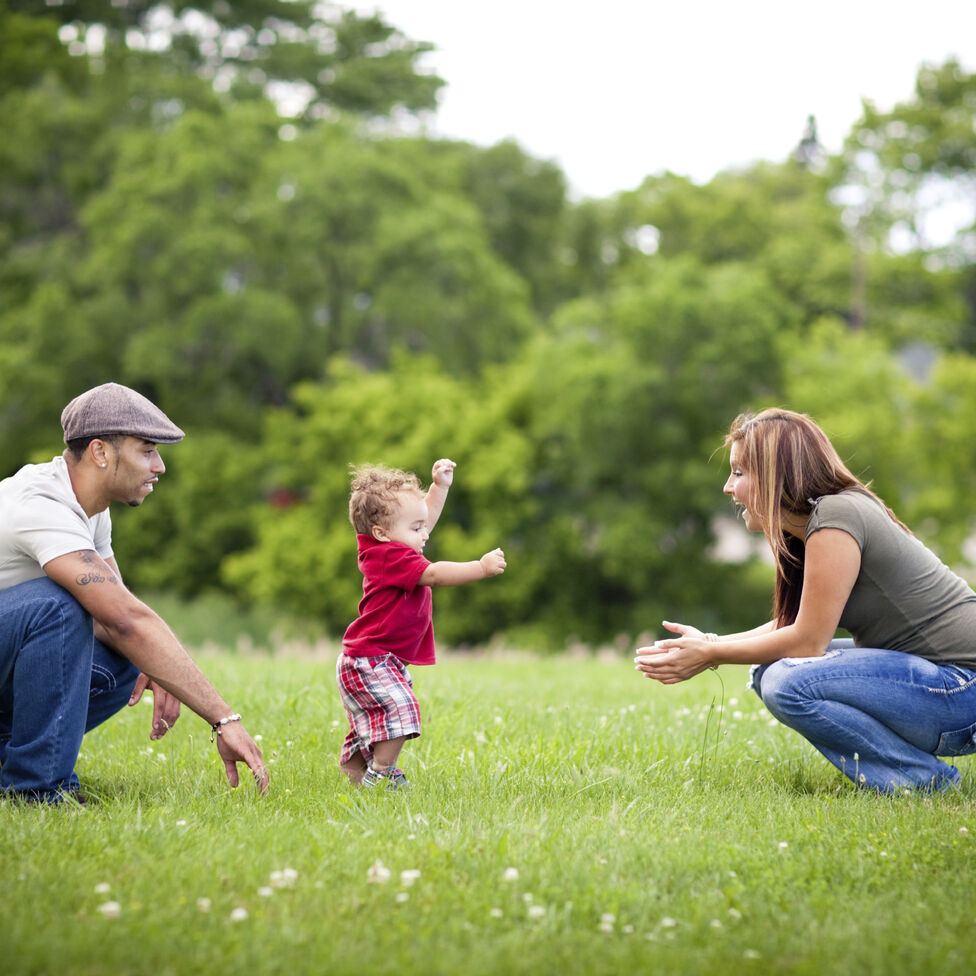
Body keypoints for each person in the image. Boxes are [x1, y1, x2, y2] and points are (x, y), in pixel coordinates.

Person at [635, 408, 976, 794]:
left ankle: (924, 784)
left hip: (964, 689)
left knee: (788, 681)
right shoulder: (818, 523)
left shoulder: (837, 515)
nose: (729, 488)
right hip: (946, 687)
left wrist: (712, 656)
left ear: (774, 475)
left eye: (739, 473)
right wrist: (712, 643)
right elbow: (793, 622)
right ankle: (919, 779)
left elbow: (807, 642)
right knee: (770, 671)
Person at [0, 382, 269, 803]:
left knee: (132, 658)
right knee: (59, 608)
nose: (159, 466)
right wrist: (222, 718)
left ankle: (9, 754)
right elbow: (125, 619)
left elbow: (120, 612)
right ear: (101, 452)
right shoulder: (39, 506)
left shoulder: (90, 508)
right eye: (147, 451)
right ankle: (36, 789)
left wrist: (159, 668)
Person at [337, 459, 506, 789]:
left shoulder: (389, 547)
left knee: (376, 721)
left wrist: (439, 488)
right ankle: (383, 775)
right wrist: (480, 568)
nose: (425, 532)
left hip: (376, 659)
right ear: (382, 533)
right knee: (400, 710)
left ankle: (355, 778)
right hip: (370, 660)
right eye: (416, 529)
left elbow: (423, 517)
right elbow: (434, 574)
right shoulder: (389, 557)